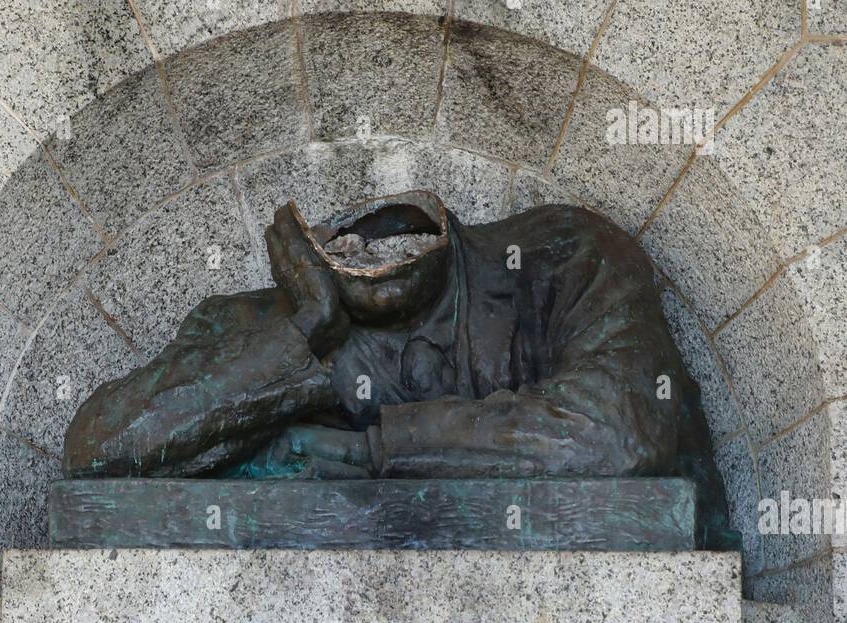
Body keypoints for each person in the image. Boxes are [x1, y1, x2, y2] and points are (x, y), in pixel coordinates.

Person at [63, 189, 735, 548]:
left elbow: (616, 437)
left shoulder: (559, 258)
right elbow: (96, 454)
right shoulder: (250, 328)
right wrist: (305, 330)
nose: (375, 253)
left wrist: (371, 449)